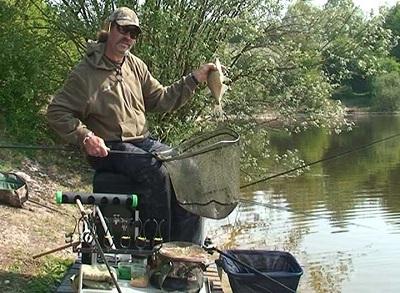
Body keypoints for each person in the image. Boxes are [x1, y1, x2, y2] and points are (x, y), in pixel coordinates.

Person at [47, 7, 216, 244]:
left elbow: (162, 99)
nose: (128, 37)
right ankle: (159, 246)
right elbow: (56, 112)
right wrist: (85, 137)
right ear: (110, 28)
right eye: (123, 29)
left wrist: (194, 78)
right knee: (153, 170)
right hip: (108, 148)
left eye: (134, 33)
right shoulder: (85, 73)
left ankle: (187, 249)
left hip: (141, 141)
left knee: (187, 169)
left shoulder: (136, 66)